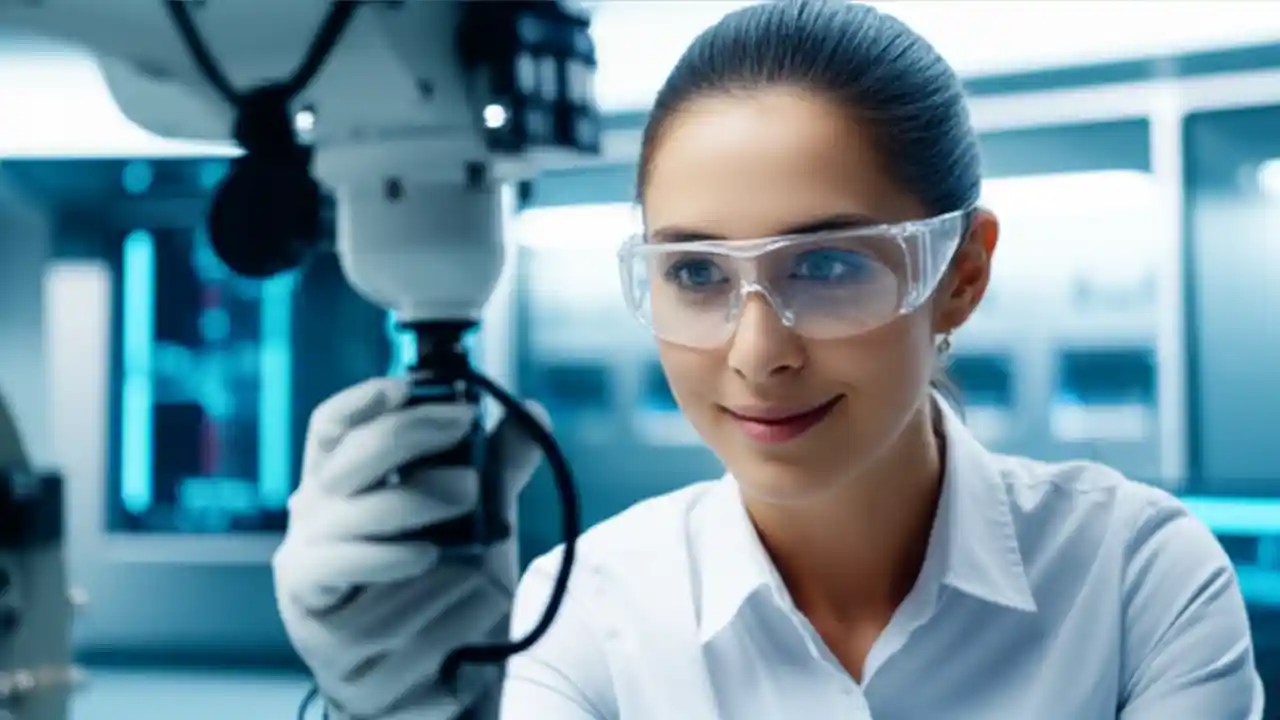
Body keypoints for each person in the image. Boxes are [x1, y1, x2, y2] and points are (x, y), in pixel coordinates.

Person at [272, 1, 1266, 718]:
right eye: (696, 273)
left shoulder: (1134, 579)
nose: (757, 354)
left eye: (826, 265)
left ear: (960, 275)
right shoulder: (586, 610)